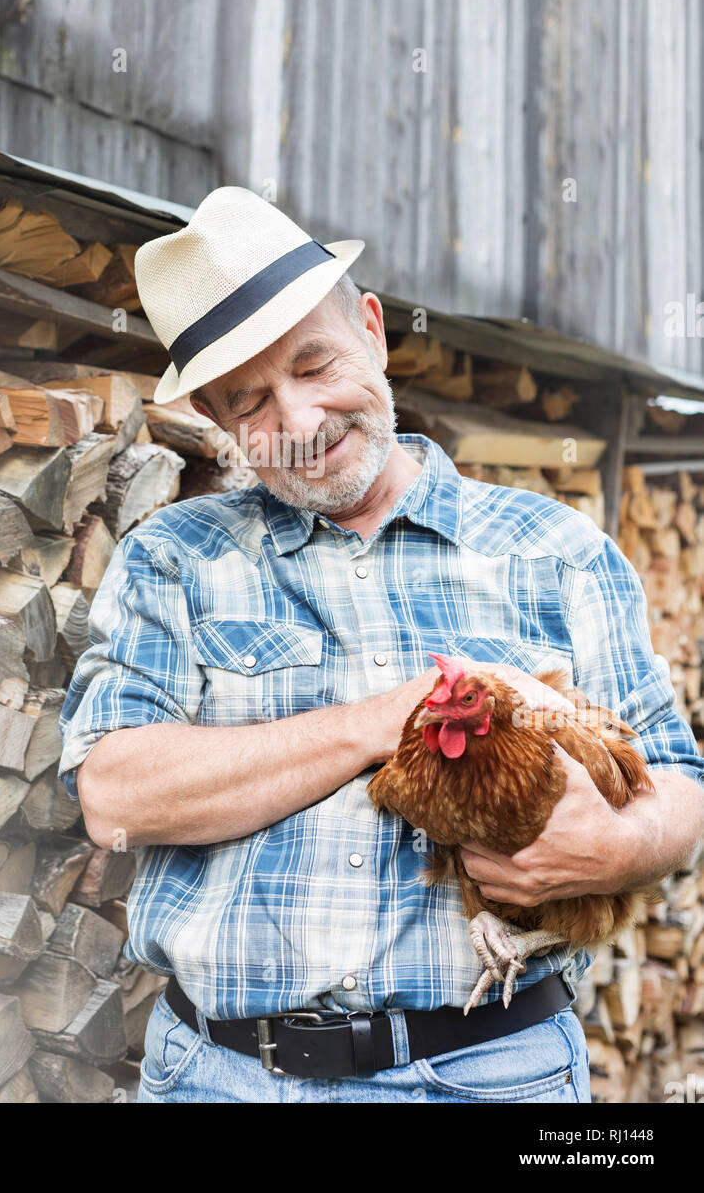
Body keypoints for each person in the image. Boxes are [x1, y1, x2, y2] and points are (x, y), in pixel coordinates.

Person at [57, 186, 704, 1103]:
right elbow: (115, 793)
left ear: (371, 328)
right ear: (214, 416)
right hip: (233, 1078)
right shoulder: (174, 559)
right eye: (252, 401)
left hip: (494, 1071)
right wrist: (378, 724)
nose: (301, 423)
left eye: (315, 364)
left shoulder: (556, 550)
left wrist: (620, 843)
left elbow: (680, 779)